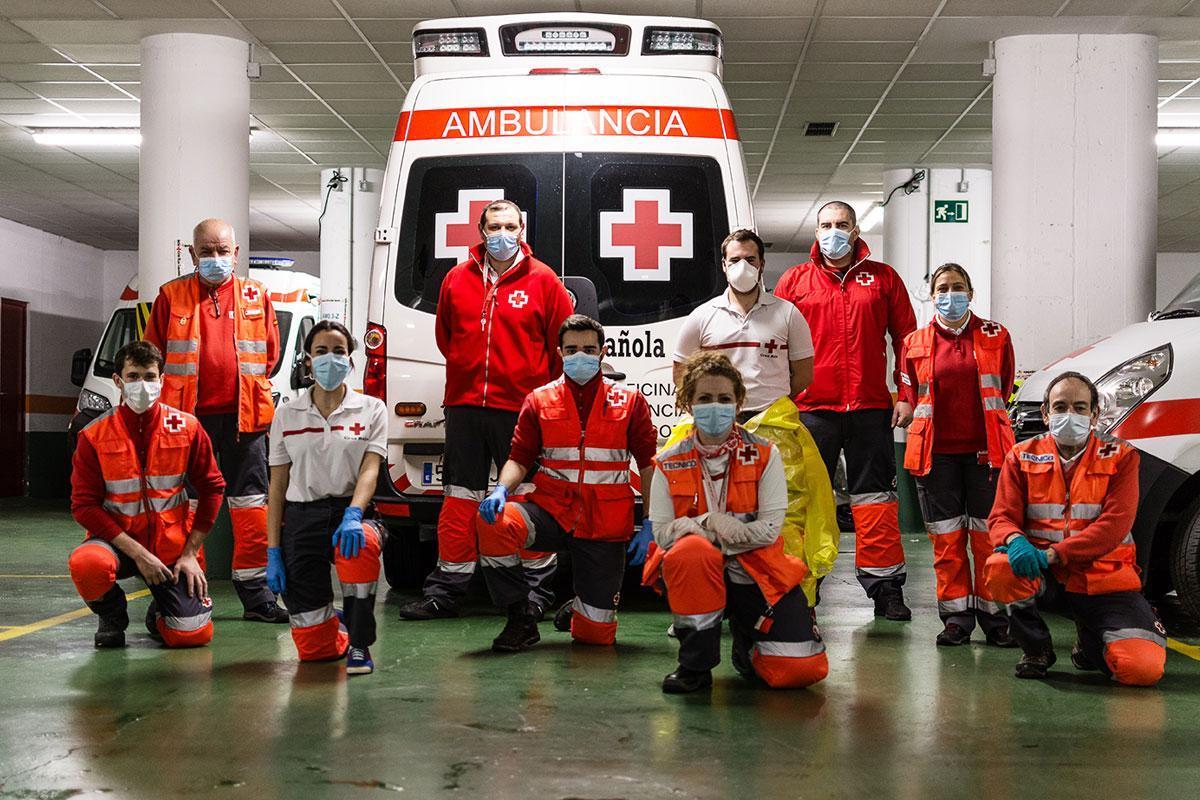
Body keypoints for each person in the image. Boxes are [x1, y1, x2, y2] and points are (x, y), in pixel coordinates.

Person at [400, 199, 574, 621]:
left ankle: (536, 591)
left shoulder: (544, 280)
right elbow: (448, 338)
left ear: (523, 228)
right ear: (480, 230)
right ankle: (447, 589)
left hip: (522, 409)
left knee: (526, 497)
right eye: (494, 226)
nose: (502, 234)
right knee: (459, 497)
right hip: (464, 406)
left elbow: (561, 347)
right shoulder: (456, 279)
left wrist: (534, 393)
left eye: (510, 226)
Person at [644, 352, 829, 693]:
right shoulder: (668, 461)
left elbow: (770, 529)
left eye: (724, 399)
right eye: (704, 399)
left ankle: (749, 645)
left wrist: (709, 527)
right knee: (691, 553)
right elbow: (663, 533)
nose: (715, 407)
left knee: (800, 668)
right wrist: (710, 525)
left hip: (757, 572)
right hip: (698, 570)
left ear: (739, 402)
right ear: (688, 403)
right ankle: (694, 667)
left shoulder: (765, 453)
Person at [472, 314, 658, 651]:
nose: (580, 356)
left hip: (604, 522)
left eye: (589, 348)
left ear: (603, 352)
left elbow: (648, 465)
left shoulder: (631, 403)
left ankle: (579, 609)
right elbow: (519, 457)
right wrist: (501, 490)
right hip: (552, 510)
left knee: (596, 638)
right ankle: (521, 618)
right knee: (495, 523)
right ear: (559, 352)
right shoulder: (539, 400)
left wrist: (649, 522)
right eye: (571, 349)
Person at [774, 200, 918, 620]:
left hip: (871, 408)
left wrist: (905, 394)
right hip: (810, 408)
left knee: (876, 501)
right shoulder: (795, 281)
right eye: (825, 224)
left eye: (841, 224)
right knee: (805, 502)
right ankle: (804, 585)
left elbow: (906, 338)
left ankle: (886, 589)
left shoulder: (884, 279)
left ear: (855, 231)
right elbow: (776, 342)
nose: (833, 231)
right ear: (815, 231)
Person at [143, 218, 286, 623]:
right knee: (185, 508)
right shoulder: (170, 297)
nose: (216, 259)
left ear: (236, 254)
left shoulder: (257, 295)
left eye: (223, 251)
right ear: (192, 254)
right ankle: (187, 588)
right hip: (186, 424)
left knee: (251, 507)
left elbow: (269, 357)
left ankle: (256, 597)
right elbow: (153, 356)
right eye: (207, 252)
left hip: (246, 421)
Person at [984, 372, 1166, 685]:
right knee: (1001, 568)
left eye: (1080, 408)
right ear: (1045, 413)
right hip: (1045, 578)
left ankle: (1090, 643)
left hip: (1104, 580)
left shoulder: (1122, 457)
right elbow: (1001, 517)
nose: (1070, 415)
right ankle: (1036, 649)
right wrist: (1014, 541)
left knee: (1141, 670)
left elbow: (1114, 525)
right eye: (1060, 406)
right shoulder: (1021, 455)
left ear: (1095, 414)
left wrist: (1053, 555)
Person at [68, 341, 225, 648]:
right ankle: (112, 616)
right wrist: (139, 555)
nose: (142, 385)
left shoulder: (187, 428)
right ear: (118, 380)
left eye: (150, 376)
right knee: (87, 563)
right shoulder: (93, 435)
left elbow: (213, 488)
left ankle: (162, 612)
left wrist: (191, 552)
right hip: (118, 544)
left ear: (162, 379)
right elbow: (83, 506)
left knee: (192, 636)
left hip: (174, 549)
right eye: (133, 376)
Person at [898, 263, 1018, 646]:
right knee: (947, 543)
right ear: (932, 296)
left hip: (987, 454)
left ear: (971, 292)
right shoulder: (913, 342)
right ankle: (956, 620)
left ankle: (996, 620)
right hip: (936, 457)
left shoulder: (996, 335)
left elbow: (1006, 384)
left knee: (987, 540)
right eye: (943, 288)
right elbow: (909, 394)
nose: (951, 294)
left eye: (958, 287)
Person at [266, 321, 387, 675]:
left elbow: (370, 469)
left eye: (338, 351)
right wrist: (273, 550)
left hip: (352, 511)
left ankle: (360, 642)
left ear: (350, 360)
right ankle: (333, 624)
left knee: (361, 546)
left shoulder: (371, 408)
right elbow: (276, 486)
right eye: (321, 352)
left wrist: (354, 514)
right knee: (315, 651)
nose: (329, 359)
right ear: (308, 360)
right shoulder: (287, 414)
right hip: (302, 517)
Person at [673, 228, 814, 422]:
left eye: (750, 260)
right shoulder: (702, 316)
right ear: (724, 265)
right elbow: (680, 373)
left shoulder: (788, 313)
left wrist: (773, 400)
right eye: (734, 260)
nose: (742, 267)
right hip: (719, 420)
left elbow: (804, 375)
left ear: (761, 265)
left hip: (773, 420)